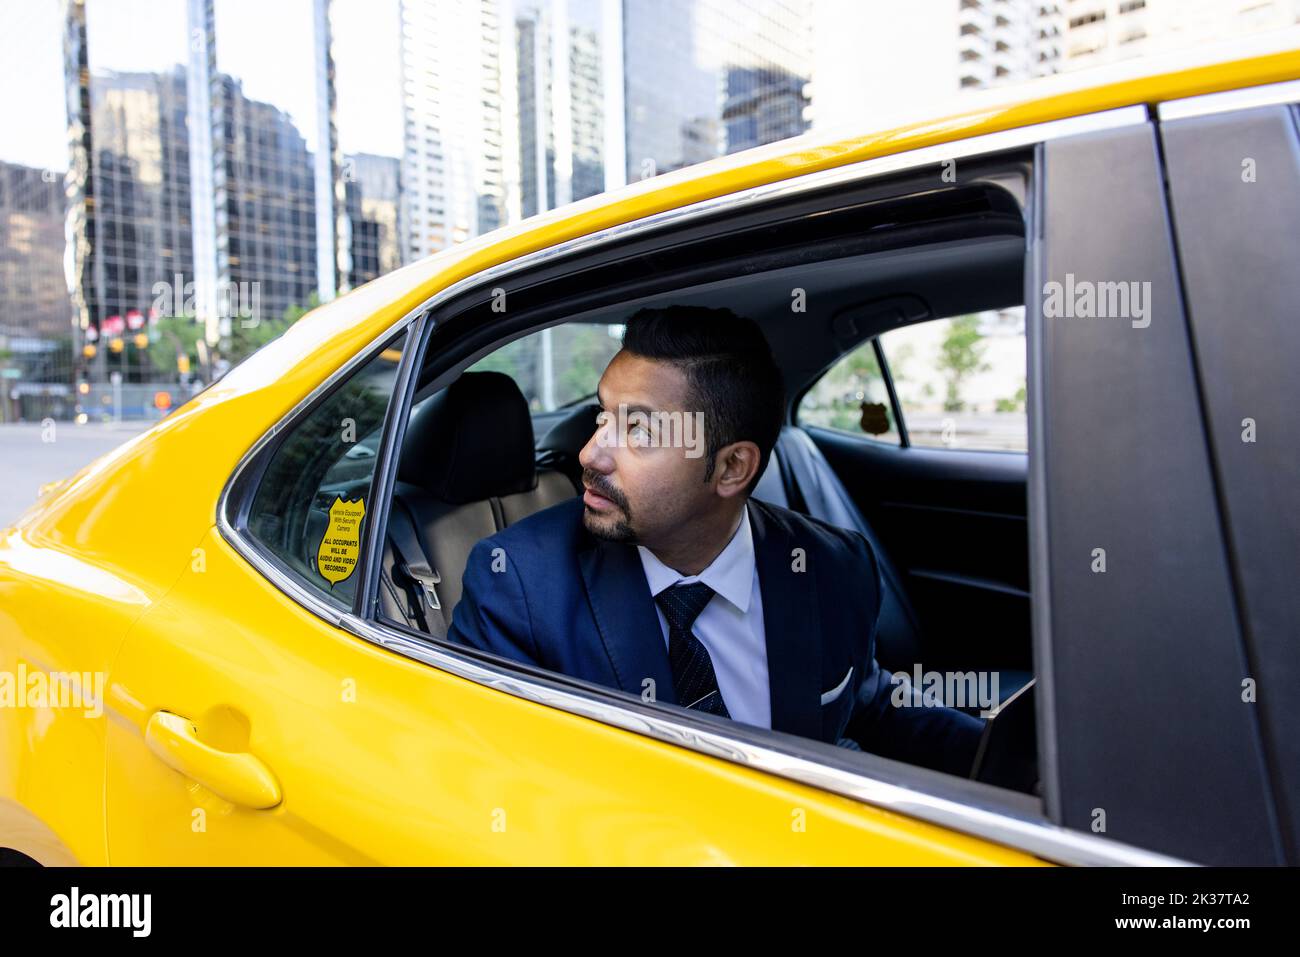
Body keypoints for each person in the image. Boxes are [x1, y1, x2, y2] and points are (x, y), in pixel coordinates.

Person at [449, 306, 983, 775]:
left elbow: (863, 703)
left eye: (639, 431)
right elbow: (497, 783)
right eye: (602, 417)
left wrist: (1004, 760)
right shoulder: (518, 585)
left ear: (731, 467)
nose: (590, 454)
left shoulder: (830, 566)